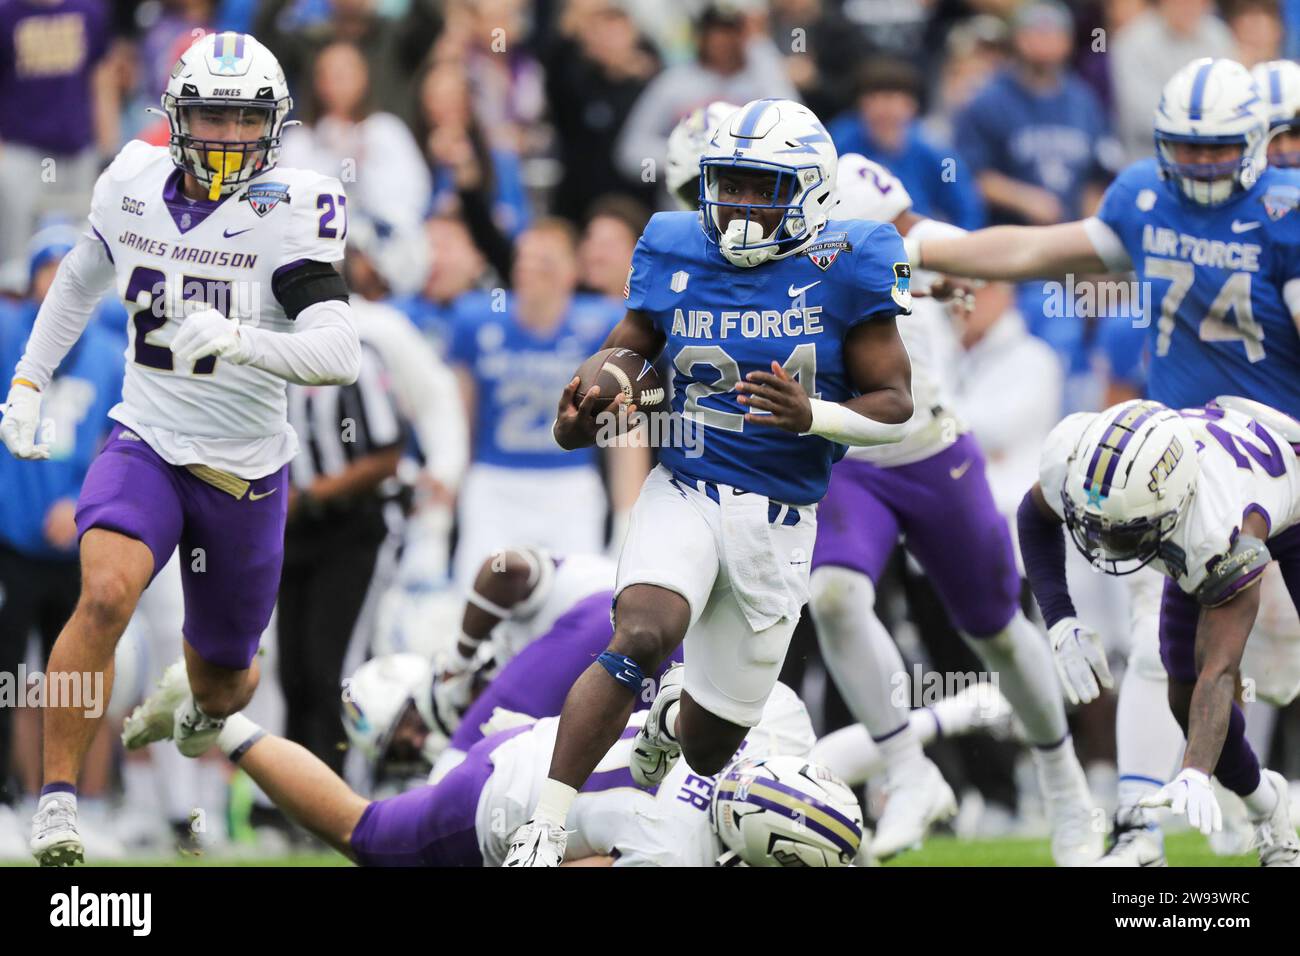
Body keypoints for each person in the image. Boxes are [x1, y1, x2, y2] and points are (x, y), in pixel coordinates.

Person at [906, 57, 1300, 865]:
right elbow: (1028, 250)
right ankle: (1140, 825)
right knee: (1166, 652)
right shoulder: (1139, 197)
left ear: (1257, 143)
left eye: (1216, 149)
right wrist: (914, 246)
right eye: (1183, 148)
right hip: (1172, 462)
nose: (1196, 166)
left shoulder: (1286, 217)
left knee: (1271, 665)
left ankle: (1250, 799)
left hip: (1278, 461)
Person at [503, 97, 916, 866]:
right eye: (730, 184)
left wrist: (814, 415)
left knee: (707, 746)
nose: (742, 205)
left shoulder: (850, 259)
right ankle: (545, 826)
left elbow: (895, 407)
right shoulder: (672, 243)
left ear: (813, 192)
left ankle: (667, 722)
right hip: (688, 484)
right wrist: (594, 396)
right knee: (642, 632)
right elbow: (629, 351)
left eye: (763, 188)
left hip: (781, 520)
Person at [0, 31, 362, 866]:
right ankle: (58, 803)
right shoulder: (130, 181)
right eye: (211, 116)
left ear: (273, 125)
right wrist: (27, 381)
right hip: (149, 438)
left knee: (226, 679)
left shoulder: (294, 206)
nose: (229, 137)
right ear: (177, 116)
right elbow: (82, 280)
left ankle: (198, 710)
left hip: (243, 470)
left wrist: (242, 341)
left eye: (246, 121)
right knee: (105, 592)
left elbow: (339, 353)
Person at [807, 153, 1097, 865]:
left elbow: (928, 241)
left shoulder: (849, 190)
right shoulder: (718, 240)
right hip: (845, 455)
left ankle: (1064, 784)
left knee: (994, 630)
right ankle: (909, 771)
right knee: (835, 598)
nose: (738, 202)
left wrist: (1076, 245)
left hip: (928, 445)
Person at [133, 663, 861, 867]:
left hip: (545, 743)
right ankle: (227, 726)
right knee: (365, 836)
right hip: (496, 801)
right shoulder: (676, 847)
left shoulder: (779, 723)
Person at [1017, 397, 1300, 867]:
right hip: (1224, 472)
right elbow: (1034, 514)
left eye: (1123, 533)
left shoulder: (1216, 530)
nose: (1104, 543)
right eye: (1097, 526)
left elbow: (1222, 669)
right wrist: (1061, 619)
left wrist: (1194, 770)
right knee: (1179, 698)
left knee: (1205, 689)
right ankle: (1269, 807)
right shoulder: (1080, 457)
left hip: (1288, 490)